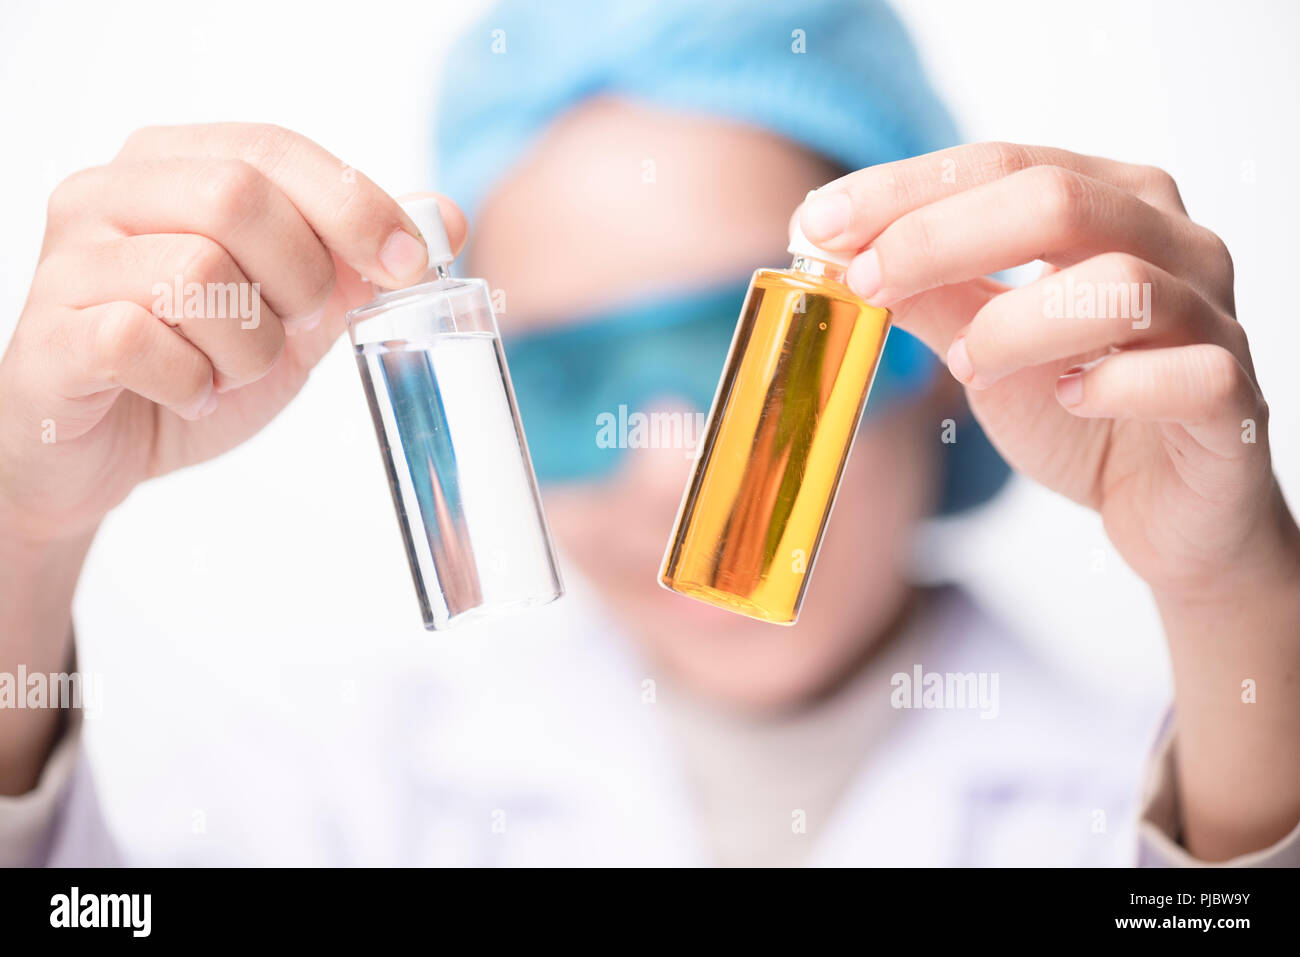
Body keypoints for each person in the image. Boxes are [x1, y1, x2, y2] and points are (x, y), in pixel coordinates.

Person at [1, 0, 1297, 866]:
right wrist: (25, 531)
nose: (678, 470)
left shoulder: (1199, 768)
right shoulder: (336, 795)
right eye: (571, 385)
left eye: (762, 364)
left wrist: (1237, 598)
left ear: (940, 347)